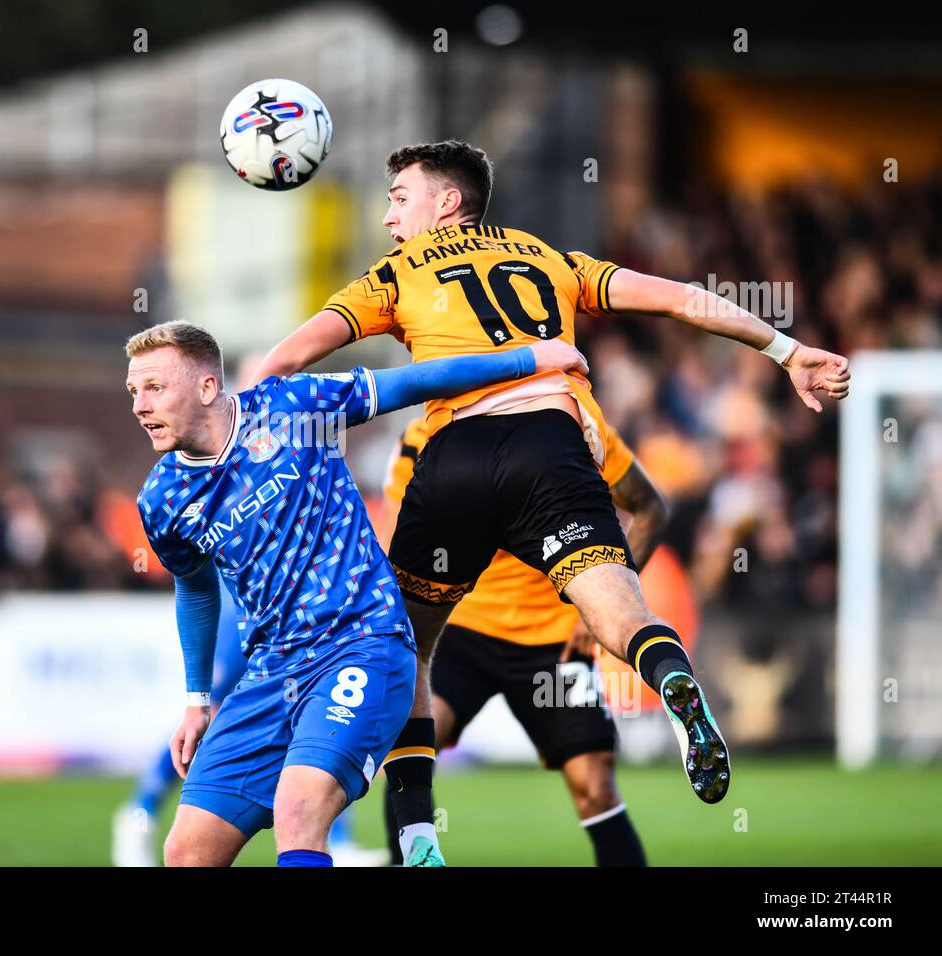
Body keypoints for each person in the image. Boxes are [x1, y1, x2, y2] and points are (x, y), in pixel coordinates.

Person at [249, 140, 851, 865]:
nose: (388, 218)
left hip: (457, 452)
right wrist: (787, 351)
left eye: (399, 197)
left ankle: (416, 839)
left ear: (447, 203)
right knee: (622, 617)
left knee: (407, 650)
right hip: (551, 443)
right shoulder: (551, 258)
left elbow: (282, 360)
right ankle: (674, 680)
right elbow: (678, 298)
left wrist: (248, 425)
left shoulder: (394, 273)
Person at [128, 319, 587, 866]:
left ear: (207, 386)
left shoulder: (293, 409)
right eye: (134, 391)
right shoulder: (162, 498)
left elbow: (413, 382)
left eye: (154, 388)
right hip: (270, 672)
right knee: (185, 851)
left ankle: (414, 832)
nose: (140, 405)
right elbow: (196, 589)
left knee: (299, 814)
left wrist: (525, 360)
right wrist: (197, 699)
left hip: (362, 645)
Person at [376, 410, 666, 866]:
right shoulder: (420, 440)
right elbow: (402, 539)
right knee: (414, 747)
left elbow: (650, 508)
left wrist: (597, 612)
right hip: (462, 630)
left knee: (595, 789)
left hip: (553, 641)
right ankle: (406, 860)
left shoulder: (576, 427)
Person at [111, 585, 388, 866]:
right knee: (212, 713)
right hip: (249, 600)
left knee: (315, 715)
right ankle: (141, 808)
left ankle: (335, 840)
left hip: (300, 604)